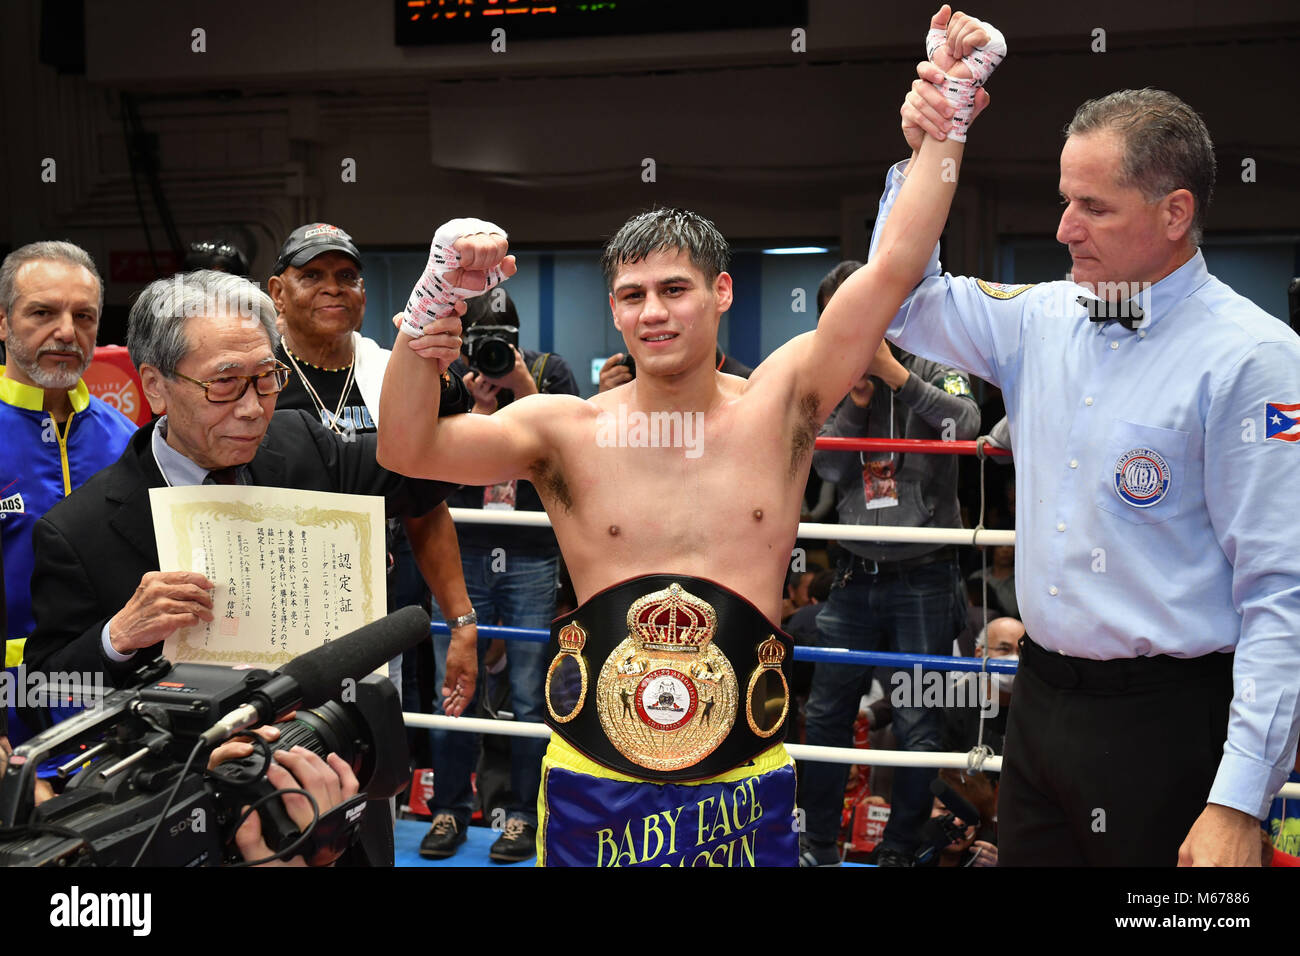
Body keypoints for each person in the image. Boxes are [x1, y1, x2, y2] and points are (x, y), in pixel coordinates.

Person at [377, 9, 1000, 867]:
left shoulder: (779, 404)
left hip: (740, 781)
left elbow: (891, 268)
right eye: (632, 296)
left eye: (675, 289)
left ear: (723, 294)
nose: (654, 312)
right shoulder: (565, 428)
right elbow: (407, 450)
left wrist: (948, 120)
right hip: (595, 776)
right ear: (614, 311)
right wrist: (434, 302)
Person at [885, 50, 1300, 863]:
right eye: (1064, 200)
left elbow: (1282, 592)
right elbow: (899, 299)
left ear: (1175, 211)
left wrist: (1240, 800)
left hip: (1173, 725)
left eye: (1093, 207)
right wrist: (932, 146)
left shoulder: (1255, 359)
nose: (1063, 227)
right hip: (1041, 707)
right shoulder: (1041, 318)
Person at [798, 262, 979, 867]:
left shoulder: (935, 357)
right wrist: (855, 399)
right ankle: (819, 843)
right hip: (852, 575)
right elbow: (825, 469)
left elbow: (967, 424)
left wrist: (893, 375)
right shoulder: (829, 373)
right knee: (827, 714)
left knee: (917, 721)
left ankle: (900, 851)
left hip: (924, 575)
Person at [265, 221, 479, 711]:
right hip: (272, 608)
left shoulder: (390, 373)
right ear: (277, 291)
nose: (333, 288)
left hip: (369, 615)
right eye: (312, 275)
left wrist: (462, 624)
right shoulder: (257, 377)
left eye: (347, 275)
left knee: (371, 769)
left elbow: (424, 506)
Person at [419, 290, 580, 863]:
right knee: (452, 692)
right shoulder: (452, 378)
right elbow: (432, 461)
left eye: (502, 342)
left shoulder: (548, 371)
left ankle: (521, 818)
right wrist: (478, 416)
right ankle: (450, 811)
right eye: (483, 341)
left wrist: (522, 395)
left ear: (517, 338)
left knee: (529, 695)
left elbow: (571, 452)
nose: (491, 353)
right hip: (462, 550)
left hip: (532, 553)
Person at [0, 242, 136, 738]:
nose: (65, 331)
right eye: (42, 312)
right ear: (2, 323)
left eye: (84, 316)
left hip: (110, 703)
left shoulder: (126, 438)